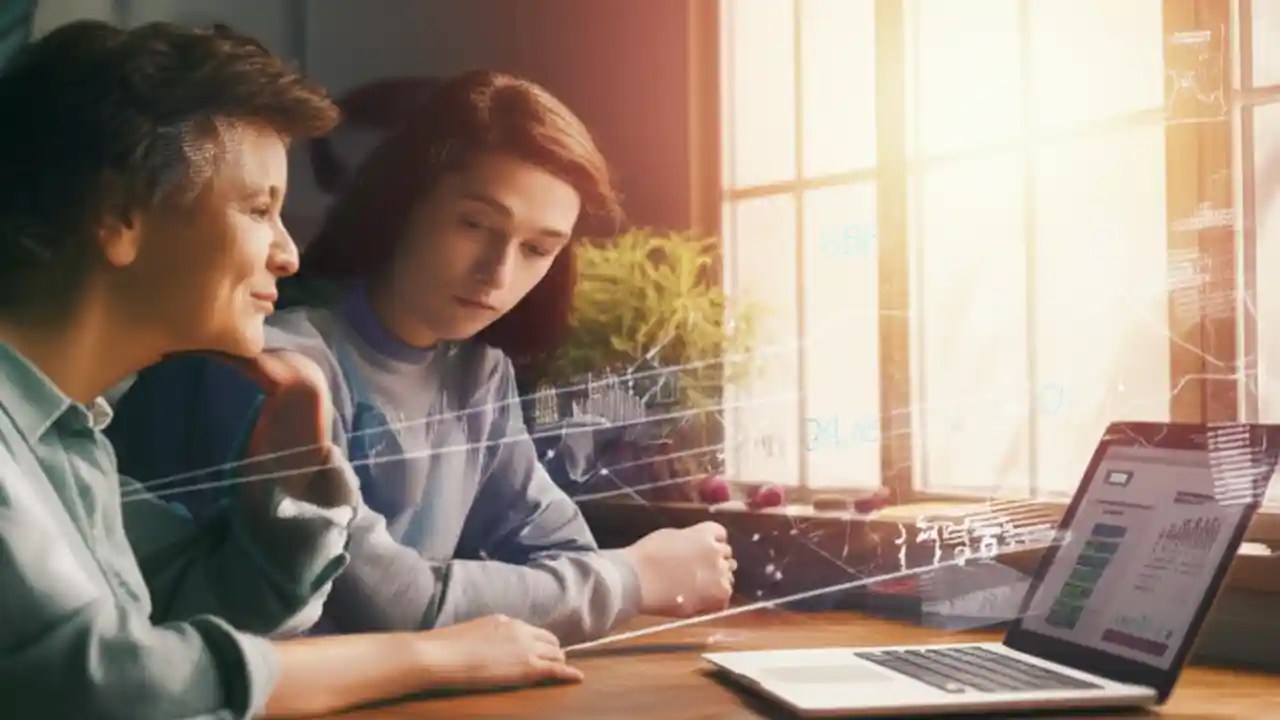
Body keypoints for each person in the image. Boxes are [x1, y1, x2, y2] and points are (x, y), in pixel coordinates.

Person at [0, 21, 582, 720]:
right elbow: (112, 683)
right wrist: (430, 655)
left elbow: (196, 603)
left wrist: (295, 495)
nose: (288, 254)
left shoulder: (71, 445)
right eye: (257, 209)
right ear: (120, 213)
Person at [107, 70, 737, 644]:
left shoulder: (478, 376)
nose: (498, 273)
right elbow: (383, 602)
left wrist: (567, 587)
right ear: (405, 201)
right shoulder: (276, 365)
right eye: (475, 225)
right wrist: (635, 576)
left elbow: (559, 548)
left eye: (538, 249)